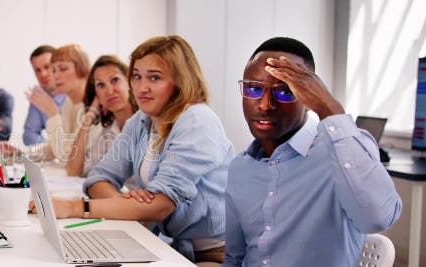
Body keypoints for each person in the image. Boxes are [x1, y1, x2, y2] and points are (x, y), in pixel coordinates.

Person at [45, 36, 233, 263]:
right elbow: (99, 178)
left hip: (214, 254)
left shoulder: (196, 120)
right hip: (171, 247)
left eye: (155, 78)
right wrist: (128, 206)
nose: (142, 88)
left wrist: (74, 207)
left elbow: (159, 206)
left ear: (181, 80)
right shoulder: (142, 120)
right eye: (137, 76)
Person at [223, 37, 402, 266]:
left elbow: (379, 218)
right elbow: (234, 258)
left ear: (309, 98)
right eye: (254, 89)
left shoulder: (343, 152)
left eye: (285, 91)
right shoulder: (241, 168)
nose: (265, 104)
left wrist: (330, 109)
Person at [1, 44, 90, 165]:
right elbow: (54, 148)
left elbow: (67, 159)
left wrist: (53, 114)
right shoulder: (70, 103)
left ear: (82, 69)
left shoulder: (90, 106)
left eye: (62, 69)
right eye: (54, 70)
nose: (55, 75)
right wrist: (20, 154)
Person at [65, 55, 137, 177]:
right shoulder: (104, 131)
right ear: (97, 95)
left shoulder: (148, 123)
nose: (109, 91)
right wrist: (89, 117)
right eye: (101, 85)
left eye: (115, 80)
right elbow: (73, 171)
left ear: (129, 82)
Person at [23, 45, 67, 145]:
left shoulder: (73, 94)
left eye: (47, 67)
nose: (43, 74)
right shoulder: (39, 96)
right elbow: (29, 135)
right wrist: (50, 147)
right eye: (37, 70)